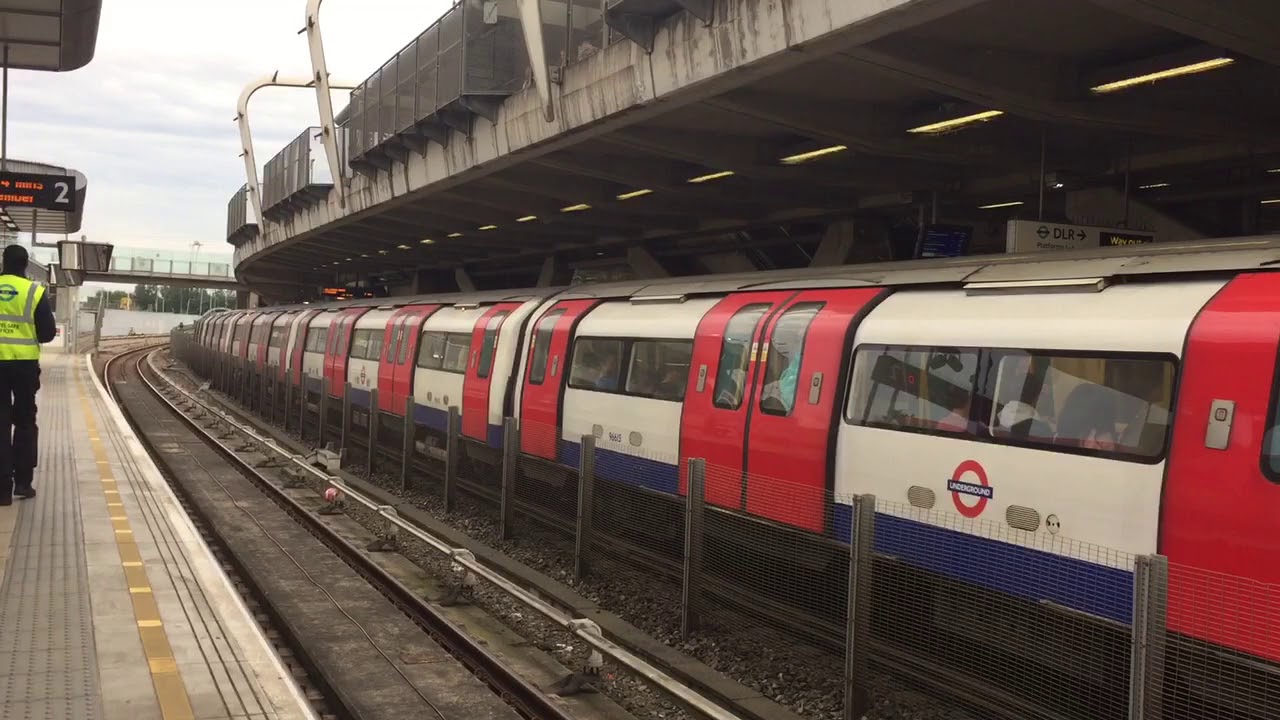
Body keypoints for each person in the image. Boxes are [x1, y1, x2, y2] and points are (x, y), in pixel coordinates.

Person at [0, 245, 57, 505]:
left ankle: (2, 490)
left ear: (3, 262)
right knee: (24, 422)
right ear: (25, 265)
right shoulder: (34, 292)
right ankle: (23, 483)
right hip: (23, 367)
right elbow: (46, 334)